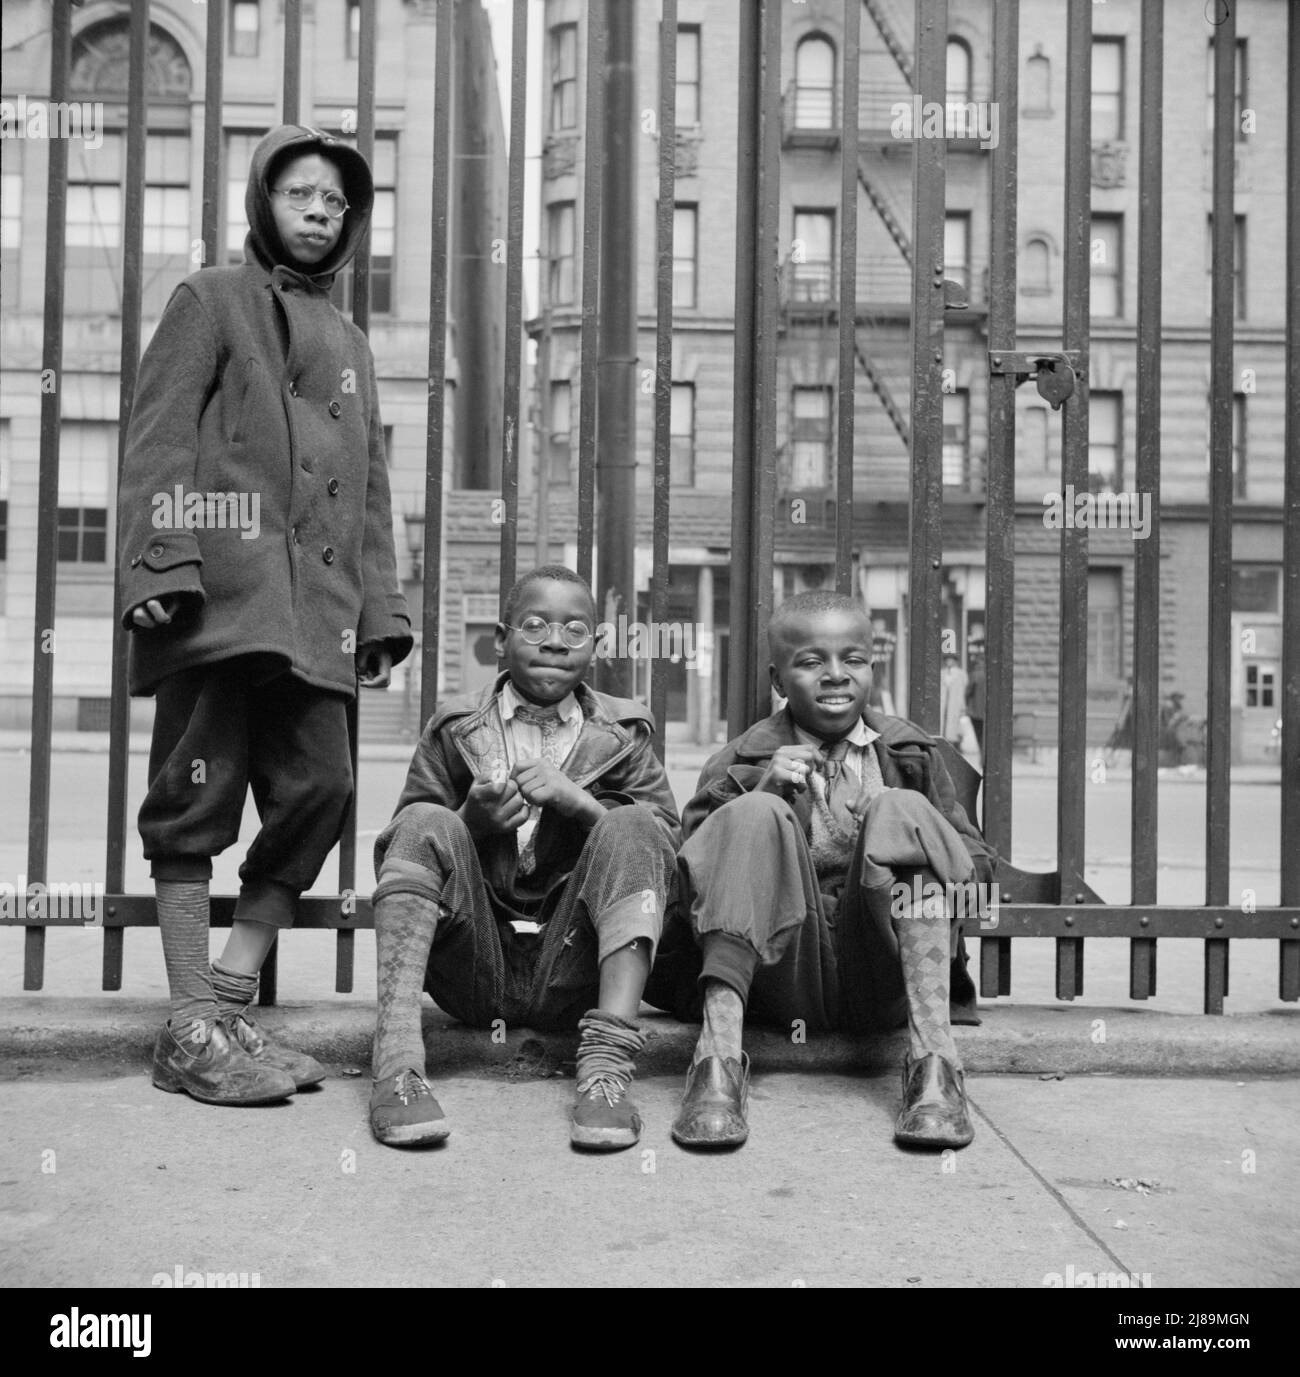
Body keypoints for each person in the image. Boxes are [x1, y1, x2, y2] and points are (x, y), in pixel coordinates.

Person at [117, 125, 412, 1106]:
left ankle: (229, 1002)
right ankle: (191, 1025)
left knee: (322, 787)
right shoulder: (210, 299)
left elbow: (370, 493)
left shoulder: (353, 345)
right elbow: (158, 438)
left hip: (316, 613)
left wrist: (379, 613)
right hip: (220, 603)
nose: (320, 210)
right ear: (262, 201)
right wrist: (161, 560)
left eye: (336, 200)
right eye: (300, 194)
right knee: (194, 798)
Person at [654, 591, 995, 1152]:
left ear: (871, 667)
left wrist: (900, 822)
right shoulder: (739, 759)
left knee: (901, 810)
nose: (836, 676)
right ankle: (716, 1065)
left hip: (889, 975)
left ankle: (935, 1068)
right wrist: (760, 792)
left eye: (853, 660)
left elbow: (977, 887)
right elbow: (686, 891)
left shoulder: (912, 754)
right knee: (755, 812)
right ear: (778, 678)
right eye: (811, 662)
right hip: (780, 979)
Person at [366, 565, 680, 1151]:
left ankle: (607, 1070)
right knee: (426, 820)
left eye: (575, 630)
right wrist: (470, 823)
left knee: (632, 821)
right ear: (501, 638)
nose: (555, 641)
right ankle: (398, 1066)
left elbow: (667, 848)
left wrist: (583, 805)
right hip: (473, 963)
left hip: (576, 967)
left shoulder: (625, 733)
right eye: (535, 626)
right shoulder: (455, 727)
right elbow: (405, 845)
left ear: (597, 646)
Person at [939, 650, 969, 747]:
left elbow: (964, 689)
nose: (949, 662)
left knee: (955, 726)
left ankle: (955, 744)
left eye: (951, 660)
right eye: (947, 660)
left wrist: (962, 705)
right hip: (944, 703)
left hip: (956, 703)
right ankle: (943, 742)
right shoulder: (942, 673)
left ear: (955, 661)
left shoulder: (961, 674)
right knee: (943, 723)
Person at [965, 641, 987, 759]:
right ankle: (984, 757)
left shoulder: (975, 674)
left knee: (979, 736)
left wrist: (967, 705)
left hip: (975, 712)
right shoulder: (989, 674)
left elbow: (968, 692)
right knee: (987, 737)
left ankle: (982, 757)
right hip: (987, 711)